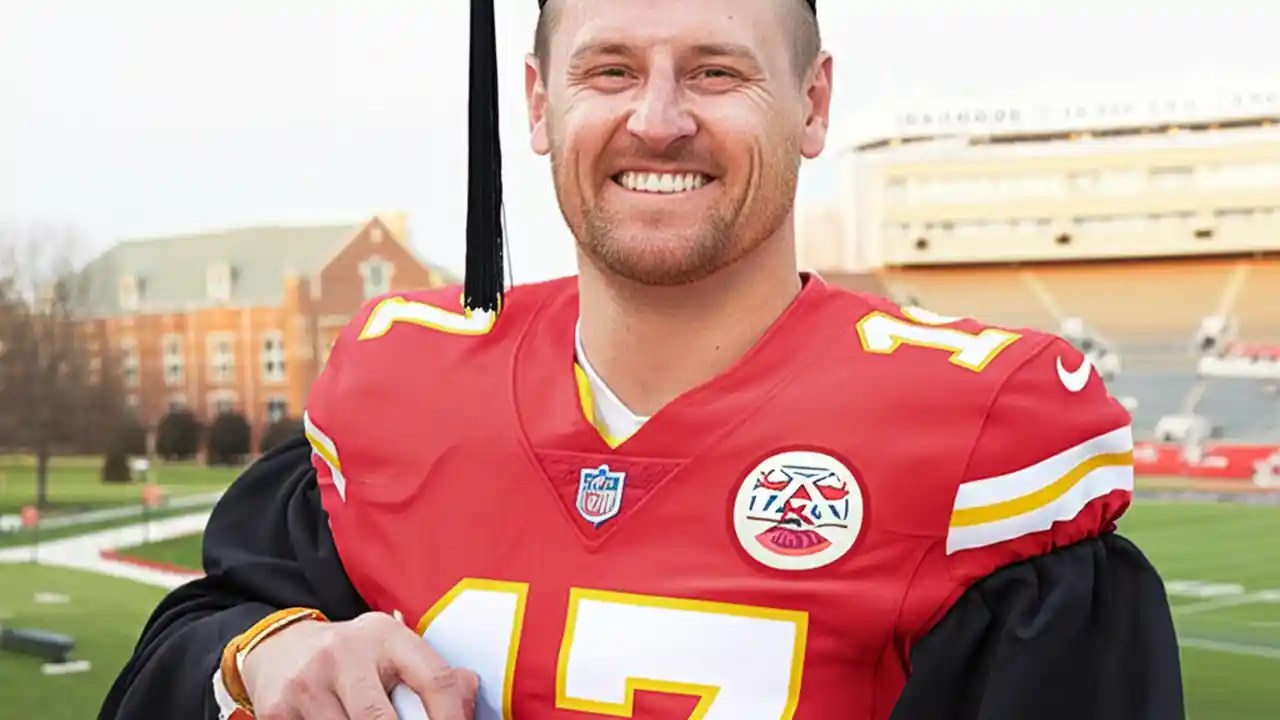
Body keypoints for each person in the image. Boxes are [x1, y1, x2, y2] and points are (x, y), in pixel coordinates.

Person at [100, 0, 1185, 718]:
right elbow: (182, 653)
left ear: (811, 105)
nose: (656, 120)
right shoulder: (396, 386)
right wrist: (256, 658)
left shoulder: (979, 433)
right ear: (536, 104)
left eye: (714, 72)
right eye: (609, 70)